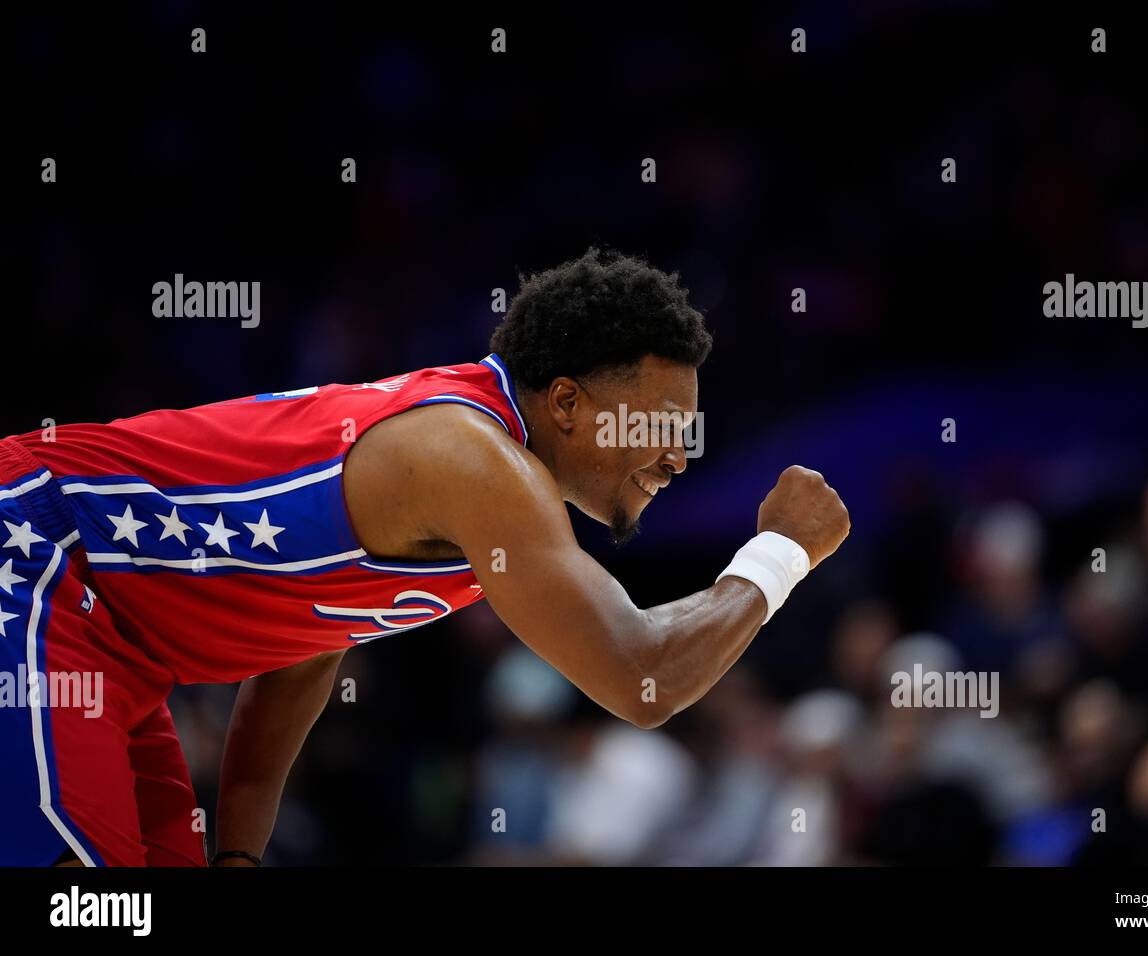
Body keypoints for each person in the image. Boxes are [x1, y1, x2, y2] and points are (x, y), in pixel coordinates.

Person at [0, 247, 850, 866]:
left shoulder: (488, 490)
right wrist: (780, 552)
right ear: (564, 400)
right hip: (36, 555)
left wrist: (240, 855)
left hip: (119, 647)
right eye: (660, 424)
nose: (677, 455)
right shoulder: (471, 458)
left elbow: (301, 646)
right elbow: (641, 678)